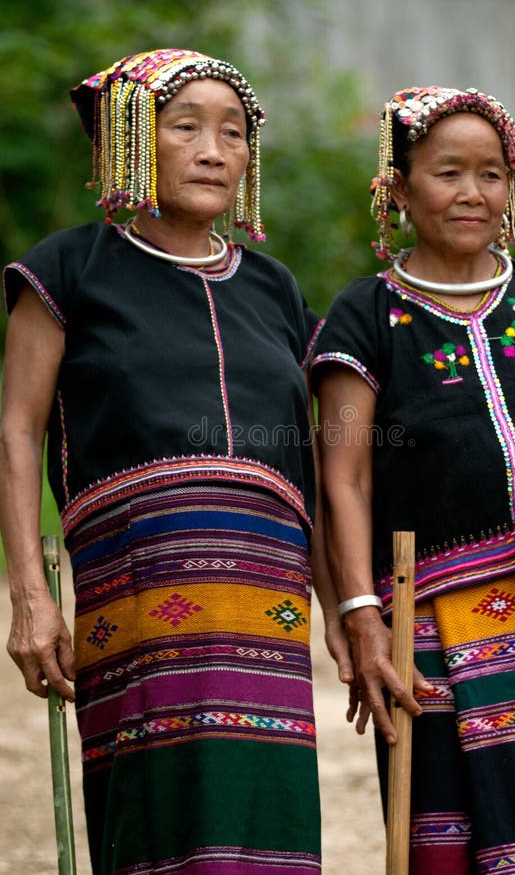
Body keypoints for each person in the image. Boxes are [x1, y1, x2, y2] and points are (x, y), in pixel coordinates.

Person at [0, 48, 349, 875]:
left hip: (266, 604)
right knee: (158, 819)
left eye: (233, 133)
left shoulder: (275, 291)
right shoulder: (68, 268)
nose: (214, 149)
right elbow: (16, 430)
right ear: (129, 140)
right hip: (142, 589)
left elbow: (322, 462)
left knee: (269, 815)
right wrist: (30, 596)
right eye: (185, 126)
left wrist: (348, 610)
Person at [312, 85, 515, 872]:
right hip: (429, 621)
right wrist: (362, 614)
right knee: (447, 831)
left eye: (493, 173)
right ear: (398, 190)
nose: (473, 192)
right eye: (448, 173)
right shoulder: (364, 316)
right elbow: (343, 478)